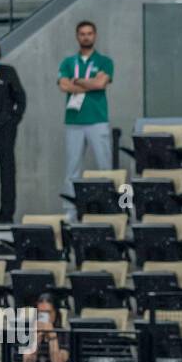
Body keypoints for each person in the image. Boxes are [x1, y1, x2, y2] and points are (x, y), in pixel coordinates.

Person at [57, 20, 114, 219]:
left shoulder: (104, 61)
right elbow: (64, 86)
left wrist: (78, 81)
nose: (86, 36)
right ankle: (70, 210)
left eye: (89, 33)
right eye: (82, 33)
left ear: (95, 36)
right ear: (77, 36)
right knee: (72, 168)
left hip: (97, 120)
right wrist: (90, 84)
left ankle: (109, 208)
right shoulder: (68, 62)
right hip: (74, 121)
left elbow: (101, 84)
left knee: (104, 166)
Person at [0, 38, 26, 223]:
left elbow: (20, 97)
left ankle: (6, 215)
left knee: (7, 173)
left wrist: (13, 120)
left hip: (4, 130)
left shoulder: (7, 72)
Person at [21, 296, 69, 362]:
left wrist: (52, 337)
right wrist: (36, 339)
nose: (44, 317)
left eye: (48, 313)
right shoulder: (30, 332)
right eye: (41, 313)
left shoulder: (64, 334)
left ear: (55, 313)